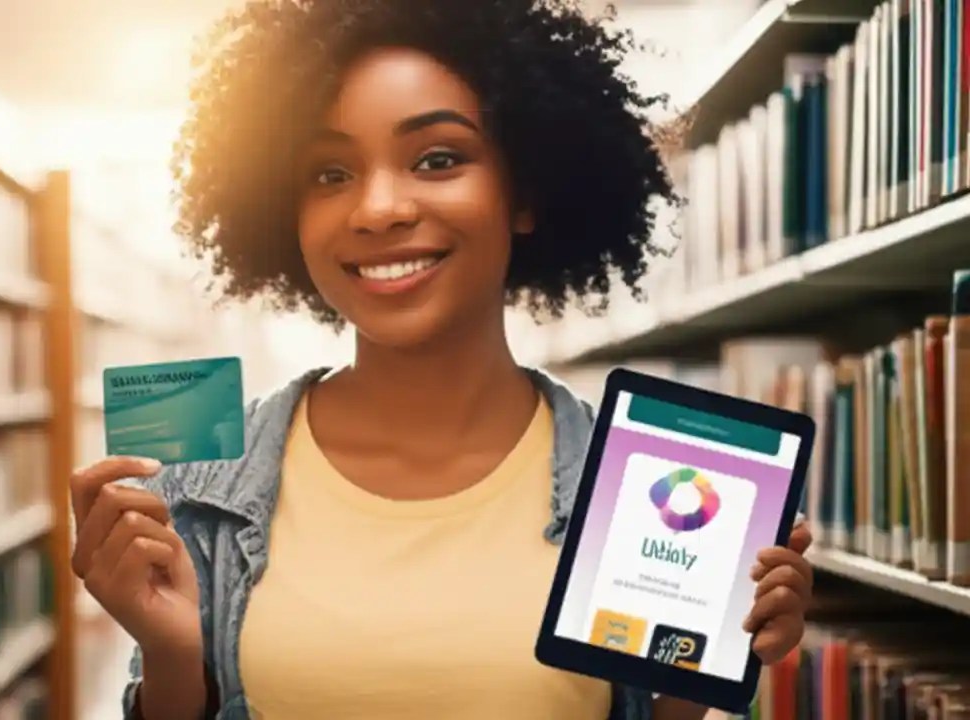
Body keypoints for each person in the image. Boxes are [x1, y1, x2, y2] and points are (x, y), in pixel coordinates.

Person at [69, 1, 815, 718]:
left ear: (523, 192)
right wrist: (170, 657)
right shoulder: (203, 488)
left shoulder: (633, 484)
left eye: (436, 158)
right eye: (330, 174)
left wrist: (716, 651)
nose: (378, 208)